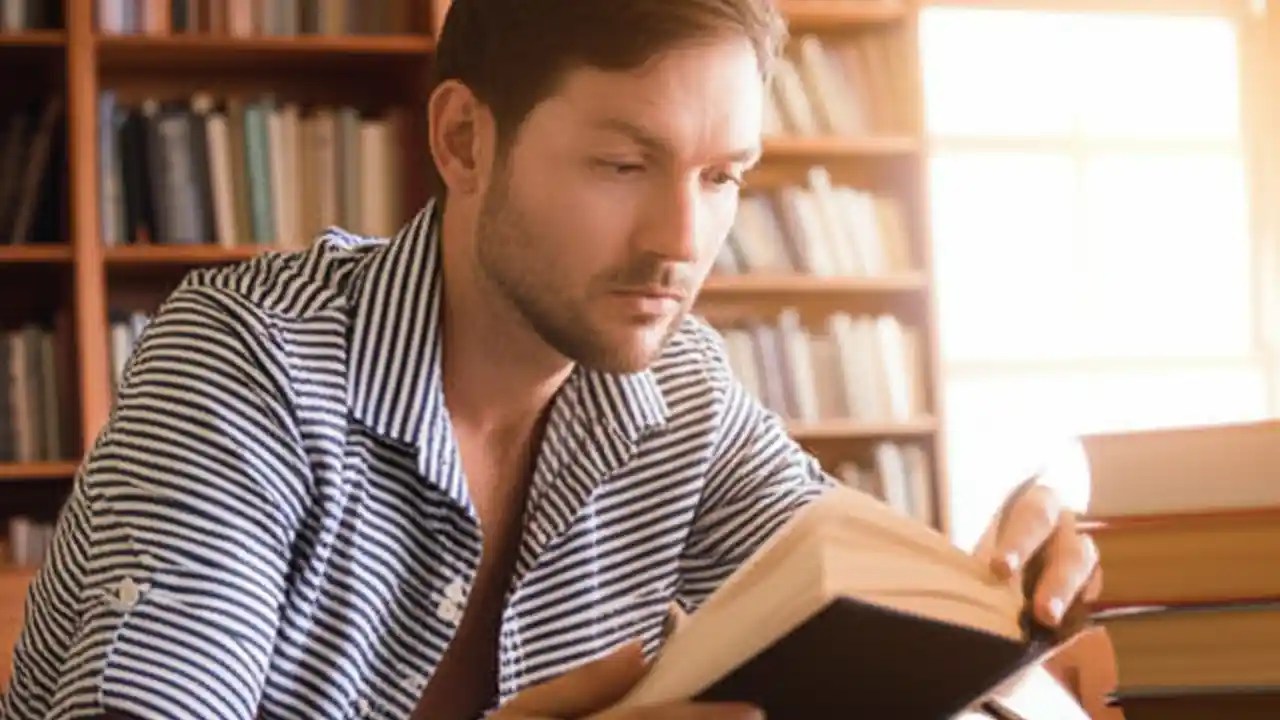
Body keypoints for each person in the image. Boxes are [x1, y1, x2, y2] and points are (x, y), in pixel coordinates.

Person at [0, 1, 1101, 718]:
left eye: (723, 177)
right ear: (463, 142)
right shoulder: (247, 364)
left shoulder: (680, 395)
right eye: (625, 162)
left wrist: (1010, 578)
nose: (681, 240)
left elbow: (867, 603)